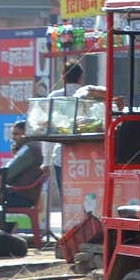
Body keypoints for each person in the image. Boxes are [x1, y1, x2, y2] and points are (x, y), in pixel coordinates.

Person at [48, 62, 84, 200]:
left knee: (66, 198)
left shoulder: (53, 96)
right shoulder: (87, 94)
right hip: (86, 158)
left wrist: (46, 161)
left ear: (63, 77)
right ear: (81, 78)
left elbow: (48, 132)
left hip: (60, 157)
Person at [2, 122, 44, 207]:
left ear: (26, 134)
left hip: (21, 196)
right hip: (26, 195)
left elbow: (7, 173)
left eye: (16, 134)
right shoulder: (35, 146)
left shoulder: (29, 148)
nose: (13, 138)